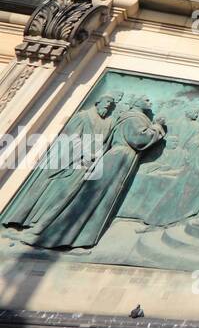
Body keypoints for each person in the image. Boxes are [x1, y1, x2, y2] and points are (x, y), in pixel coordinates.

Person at [24, 96, 166, 250]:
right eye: (146, 100)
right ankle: (62, 238)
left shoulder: (133, 117)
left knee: (99, 197)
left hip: (119, 158)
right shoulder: (134, 118)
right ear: (135, 102)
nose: (150, 102)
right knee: (95, 197)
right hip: (118, 159)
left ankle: (74, 238)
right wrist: (157, 127)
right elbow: (139, 139)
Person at [1, 91, 119, 231]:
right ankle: (17, 219)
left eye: (111, 104)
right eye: (106, 101)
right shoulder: (82, 117)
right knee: (42, 188)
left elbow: (103, 143)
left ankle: (36, 224)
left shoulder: (107, 123)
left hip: (83, 165)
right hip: (64, 160)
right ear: (98, 102)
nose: (108, 106)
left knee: (59, 196)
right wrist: (85, 152)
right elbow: (71, 137)